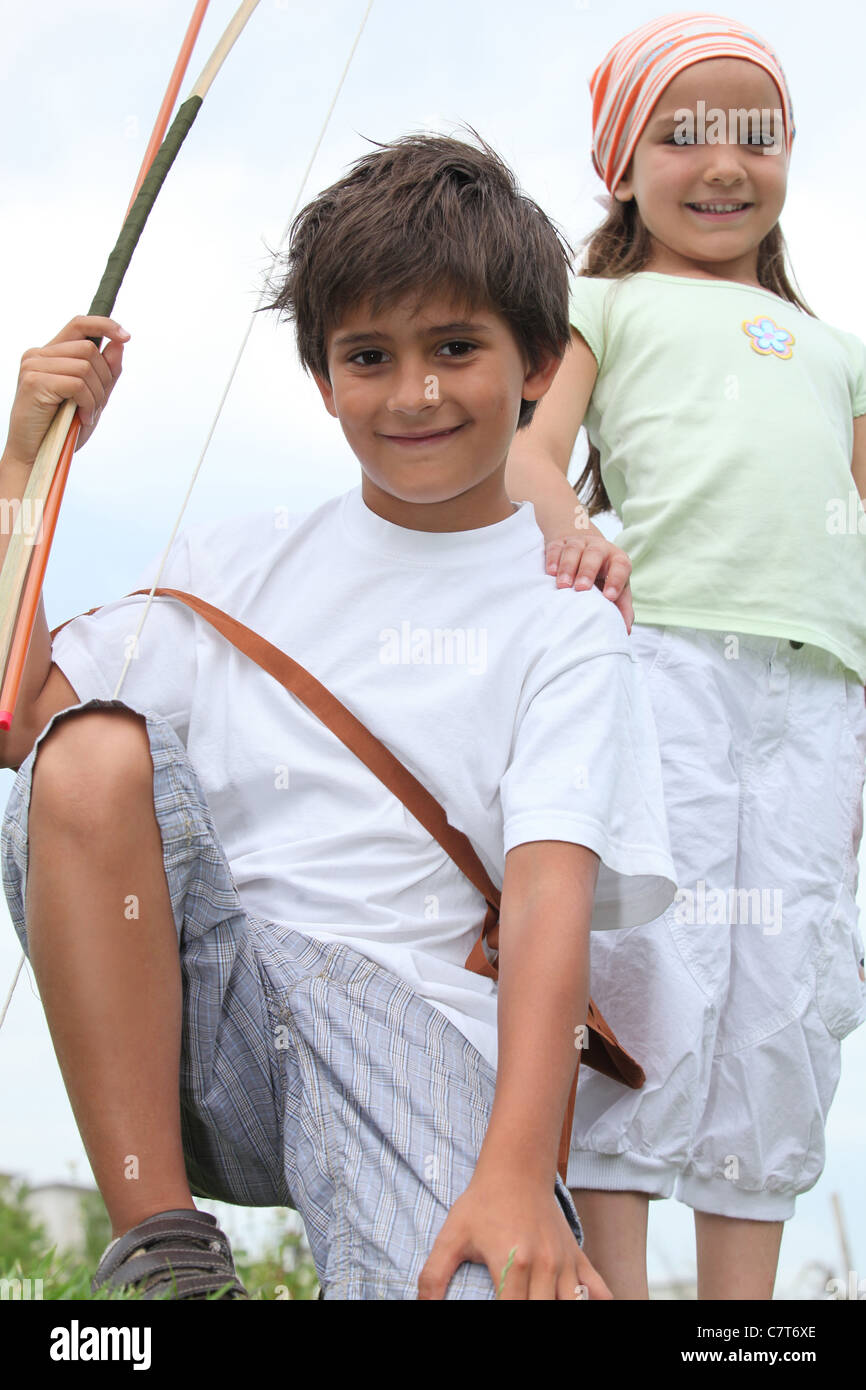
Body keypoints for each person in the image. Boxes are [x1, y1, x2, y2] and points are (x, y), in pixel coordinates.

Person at [0, 131, 676, 1300]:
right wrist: (19, 470)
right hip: (207, 1019)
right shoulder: (231, 567)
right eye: (369, 355)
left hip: (417, 1031)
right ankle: (162, 1248)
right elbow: (25, 726)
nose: (413, 391)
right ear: (322, 378)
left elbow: (551, 892)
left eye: (453, 347)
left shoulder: (563, 613)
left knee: (476, 1280)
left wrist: (516, 1170)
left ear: (536, 365)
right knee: (93, 748)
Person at [504, 11, 866, 1300]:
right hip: (668, 662)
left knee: (787, 990)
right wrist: (574, 538)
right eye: (682, 133)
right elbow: (529, 452)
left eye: (751, 134)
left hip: (823, 692)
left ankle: (742, 1321)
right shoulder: (598, 298)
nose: (721, 163)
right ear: (623, 164)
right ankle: (612, 1286)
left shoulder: (834, 347)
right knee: (653, 962)